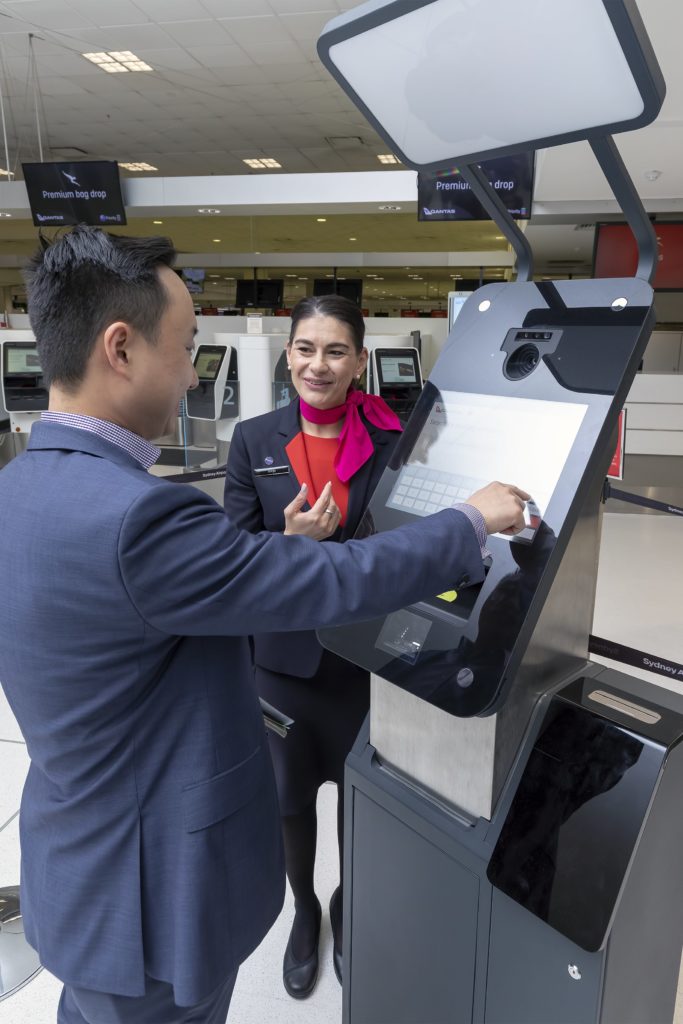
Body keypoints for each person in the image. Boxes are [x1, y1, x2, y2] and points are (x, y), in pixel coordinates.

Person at [0, 226, 528, 1024]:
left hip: (82, 876)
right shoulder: (137, 517)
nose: (191, 374)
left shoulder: (20, 488)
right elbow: (333, 578)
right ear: (121, 348)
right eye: (184, 348)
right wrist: (469, 520)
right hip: (156, 904)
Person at [224, 294, 403, 996]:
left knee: (362, 803)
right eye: (305, 348)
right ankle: (304, 911)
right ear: (287, 353)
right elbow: (232, 557)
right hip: (284, 664)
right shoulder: (254, 440)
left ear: (360, 360)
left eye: (335, 351)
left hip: (366, 662)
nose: (317, 365)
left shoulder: (394, 439)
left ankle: (348, 902)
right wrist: (286, 542)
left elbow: (407, 537)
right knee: (288, 802)